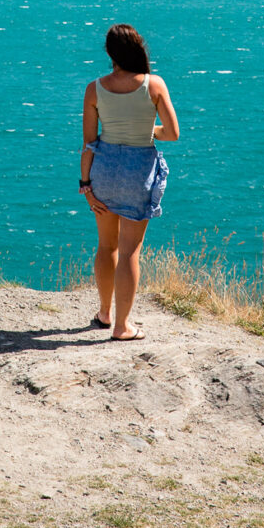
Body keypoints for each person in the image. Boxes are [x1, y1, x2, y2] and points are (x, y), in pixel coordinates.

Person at [79, 24, 179, 341]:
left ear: (109, 53)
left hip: (103, 170)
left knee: (106, 245)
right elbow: (173, 133)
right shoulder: (154, 85)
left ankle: (105, 314)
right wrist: (145, 131)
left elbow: (89, 142)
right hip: (139, 171)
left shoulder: (94, 88)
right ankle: (122, 327)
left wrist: (85, 184)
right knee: (129, 252)